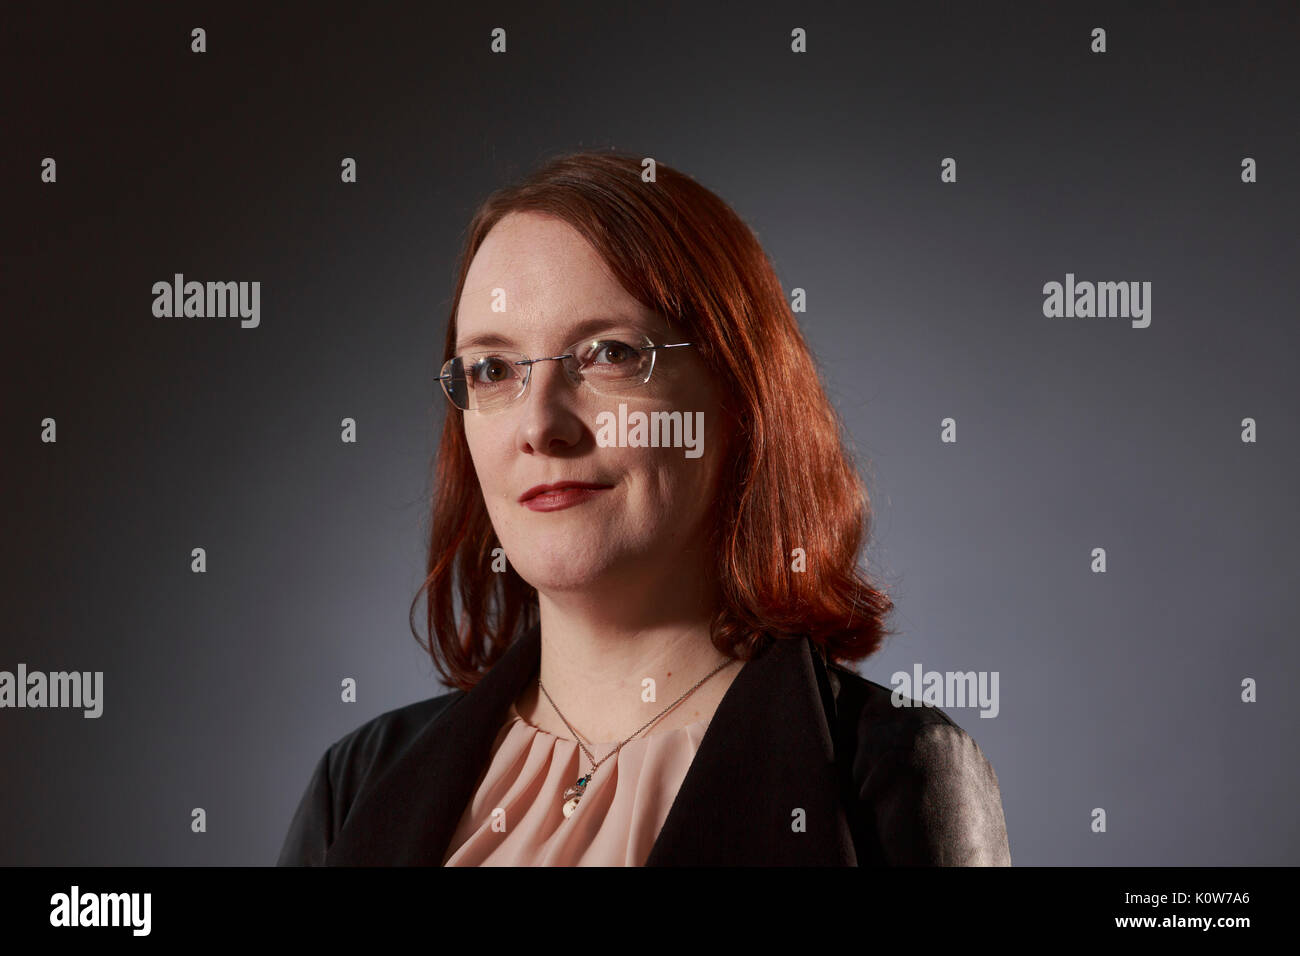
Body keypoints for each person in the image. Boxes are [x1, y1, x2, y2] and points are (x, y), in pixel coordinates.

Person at [277, 150, 1011, 866]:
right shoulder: (358, 783)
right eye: (493, 369)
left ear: (739, 398)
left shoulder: (891, 776)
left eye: (609, 354)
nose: (540, 427)